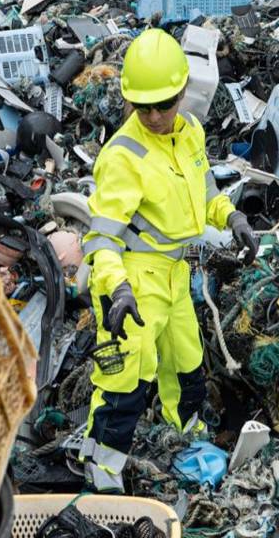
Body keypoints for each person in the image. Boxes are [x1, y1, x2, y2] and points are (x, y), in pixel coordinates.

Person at [79, 29, 258, 492]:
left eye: (164, 104)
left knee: (186, 363)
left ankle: (187, 440)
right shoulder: (123, 154)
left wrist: (232, 215)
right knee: (123, 382)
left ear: (182, 93)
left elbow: (204, 191)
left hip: (177, 274)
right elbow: (100, 237)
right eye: (144, 107)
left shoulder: (191, 133)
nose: (155, 116)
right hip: (133, 280)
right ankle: (102, 473)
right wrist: (116, 287)